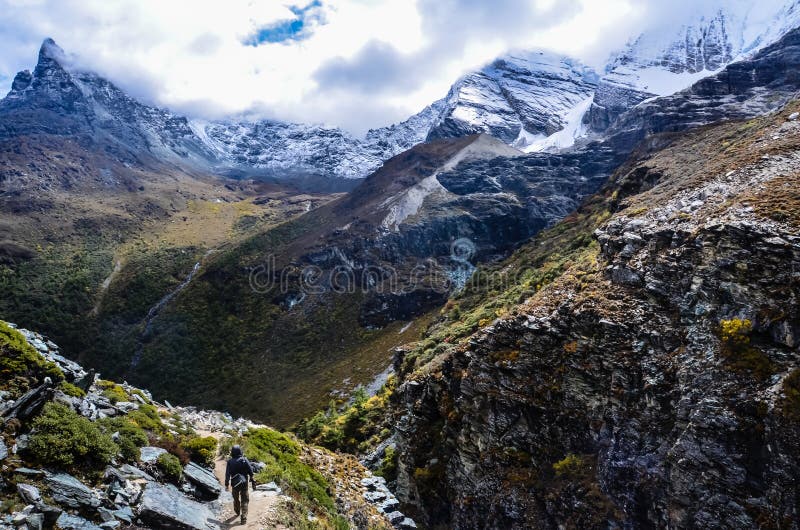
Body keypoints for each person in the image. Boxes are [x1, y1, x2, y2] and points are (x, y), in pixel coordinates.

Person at [225, 445, 255, 524]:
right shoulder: (244, 460)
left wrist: (226, 484)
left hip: (234, 484)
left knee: (235, 498)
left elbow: (227, 474)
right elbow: (250, 470)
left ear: (232, 452)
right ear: (240, 451)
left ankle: (237, 511)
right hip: (244, 483)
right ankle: (244, 517)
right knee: (244, 500)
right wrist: (252, 478)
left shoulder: (230, 462)